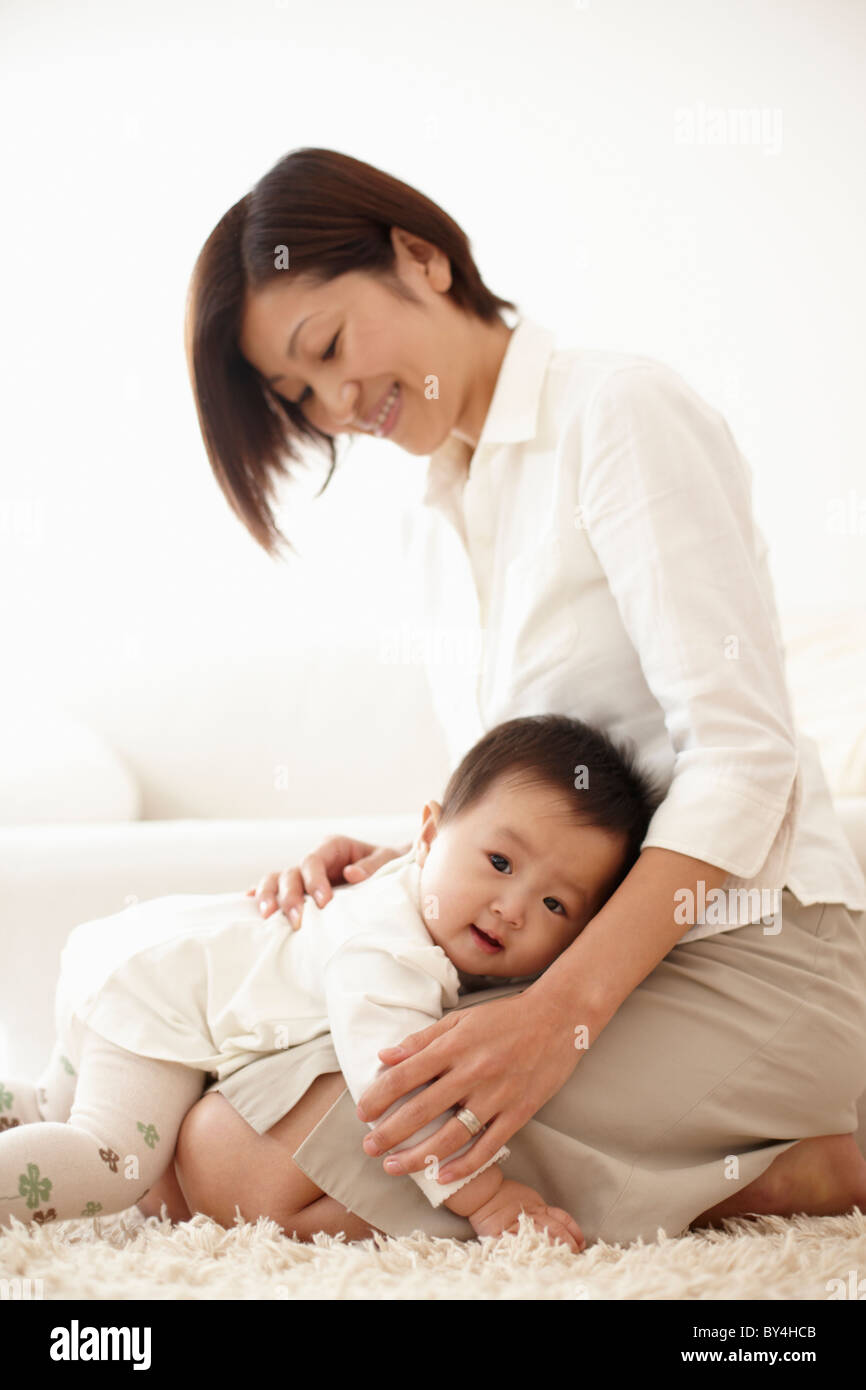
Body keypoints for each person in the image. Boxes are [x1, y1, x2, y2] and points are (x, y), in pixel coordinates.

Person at [139, 147, 866, 1247]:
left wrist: (556, 1021)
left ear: (420, 258)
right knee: (203, 1111)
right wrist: (411, 858)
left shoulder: (614, 413)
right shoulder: (438, 519)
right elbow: (545, 798)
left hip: (756, 947)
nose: (335, 405)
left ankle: (797, 1163)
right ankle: (751, 1166)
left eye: (328, 347)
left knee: (236, 1157)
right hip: (591, 953)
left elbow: (740, 760)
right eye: (297, 397)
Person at [1, 715, 657, 1251]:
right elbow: (399, 1094)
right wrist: (488, 1198)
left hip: (134, 960)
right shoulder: (389, 949)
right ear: (427, 832)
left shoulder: (402, 887)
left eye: (555, 906)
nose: (512, 907)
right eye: (499, 861)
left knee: (43, 1111)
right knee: (112, 1165)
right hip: (157, 1008)